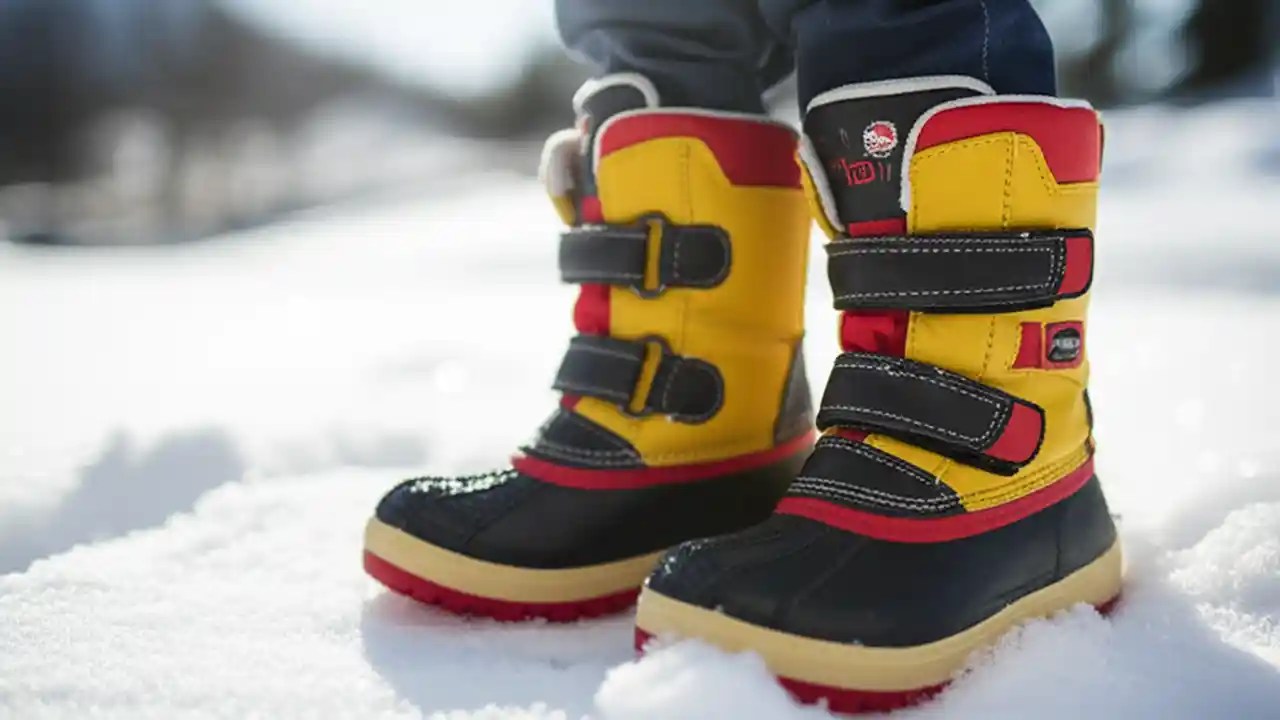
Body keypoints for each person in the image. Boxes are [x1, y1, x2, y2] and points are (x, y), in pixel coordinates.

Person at [362, 0, 1120, 712]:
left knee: (900, 18)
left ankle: (1019, 481)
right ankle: (706, 433)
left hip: (1003, 484)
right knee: (657, 25)